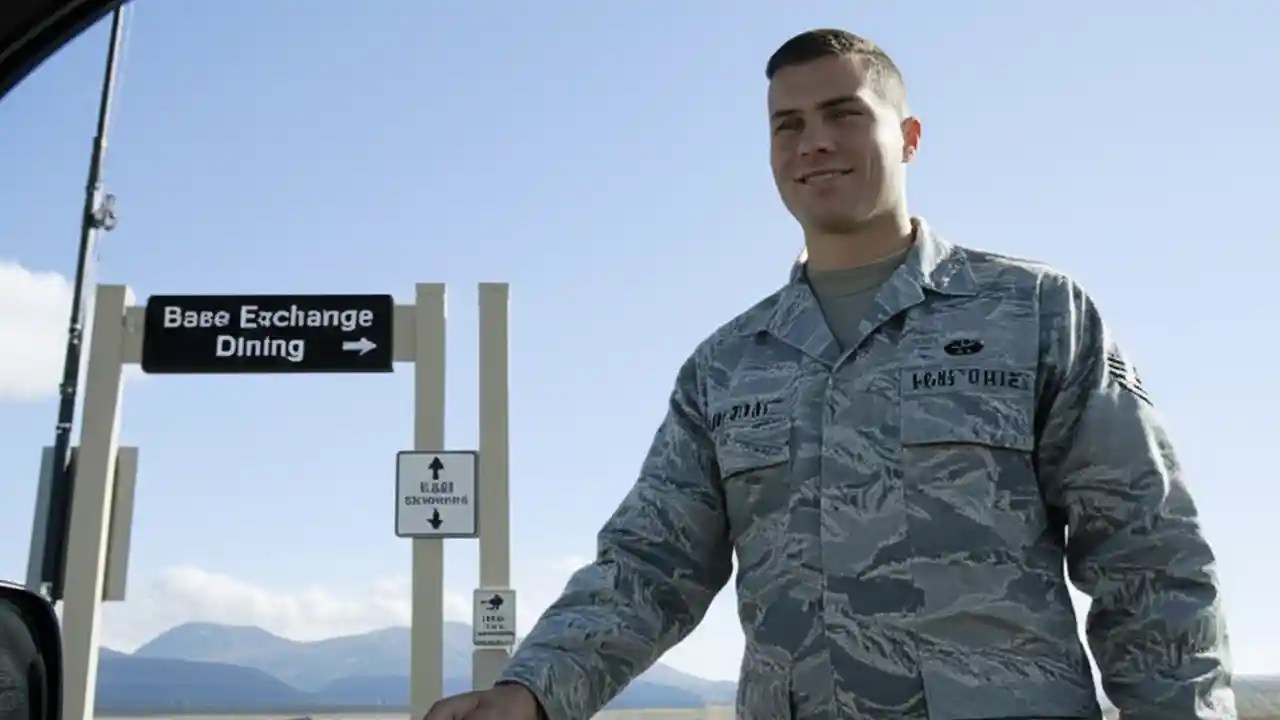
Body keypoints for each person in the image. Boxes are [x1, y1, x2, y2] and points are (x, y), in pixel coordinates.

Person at [425, 28, 1235, 720]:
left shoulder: (1034, 315)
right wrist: (532, 692)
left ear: (909, 136)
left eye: (844, 114)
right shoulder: (728, 364)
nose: (813, 142)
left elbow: (1148, 553)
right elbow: (648, 566)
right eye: (788, 124)